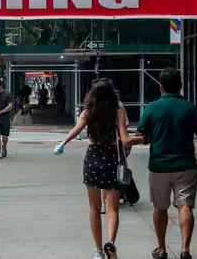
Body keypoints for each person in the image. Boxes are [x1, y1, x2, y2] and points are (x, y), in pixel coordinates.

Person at [55, 78, 141, 259]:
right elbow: (125, 140)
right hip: (113, 158)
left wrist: (63, 143)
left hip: (93, 158)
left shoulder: (88, 112)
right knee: (113, 209)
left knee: (94, 207)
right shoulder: (117, 111)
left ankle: (98, 250)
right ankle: (110, 243)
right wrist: (144, 139)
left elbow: (77, 129)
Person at [135, 68, 197, 259]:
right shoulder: (191, 108)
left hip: (159, 166)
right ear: (181, 86)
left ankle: (161, 249)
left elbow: (141, 135)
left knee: (160, 207)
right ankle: (185, 249)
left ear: (161, 87)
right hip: (185, 165)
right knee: (185, 207)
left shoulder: (151, 108)